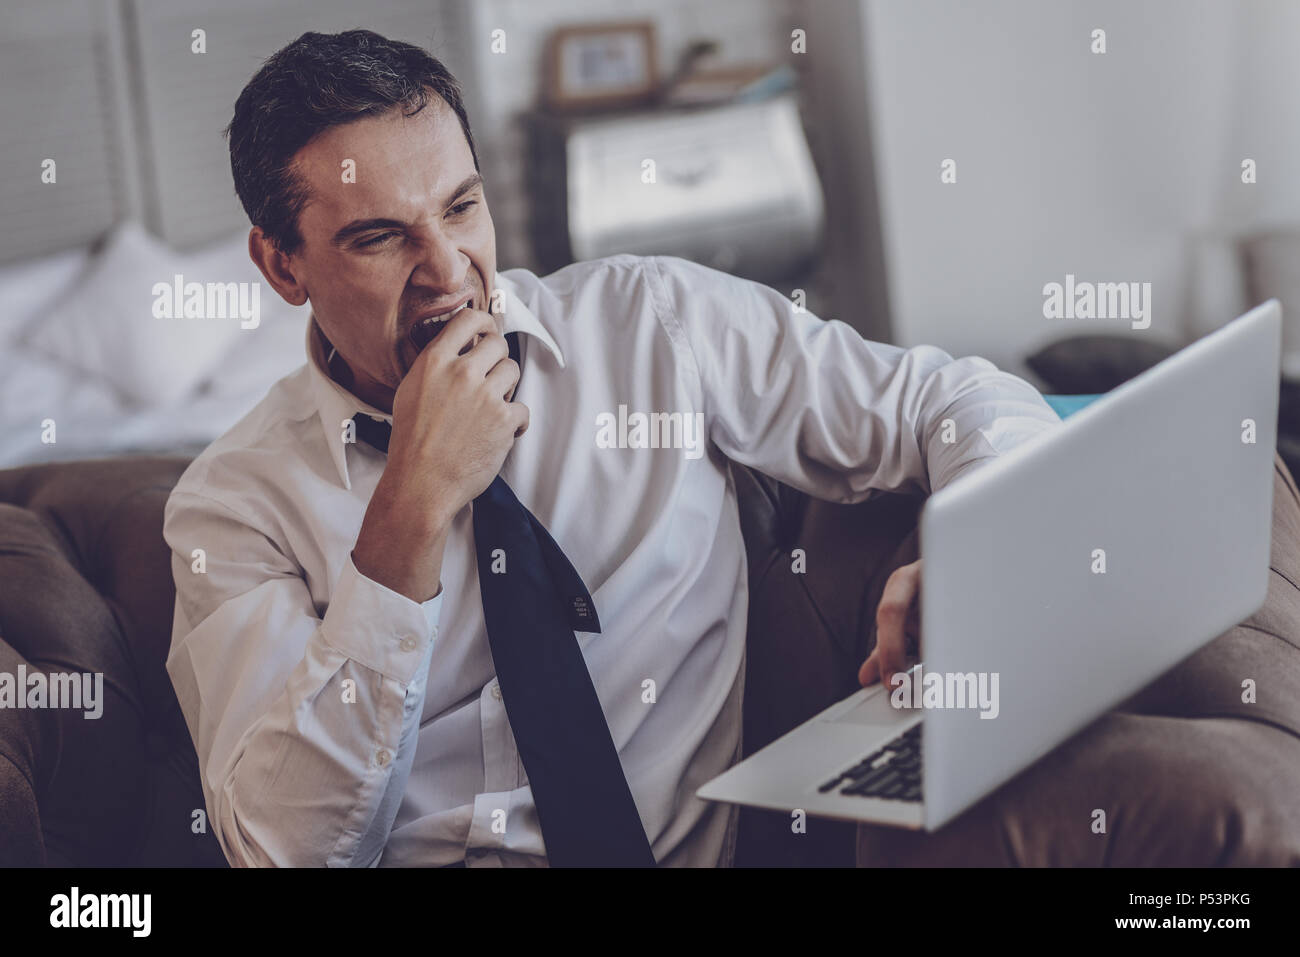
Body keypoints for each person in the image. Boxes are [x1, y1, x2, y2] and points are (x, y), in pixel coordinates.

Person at [163, 29, 1061, 867]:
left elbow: (955, 399)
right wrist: (412, 506)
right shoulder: (234, 505)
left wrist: (971, 551)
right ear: (284, 266)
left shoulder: (652, 328)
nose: (447, 272)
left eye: (461, 207)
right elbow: (285, 845)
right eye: (379, 237)